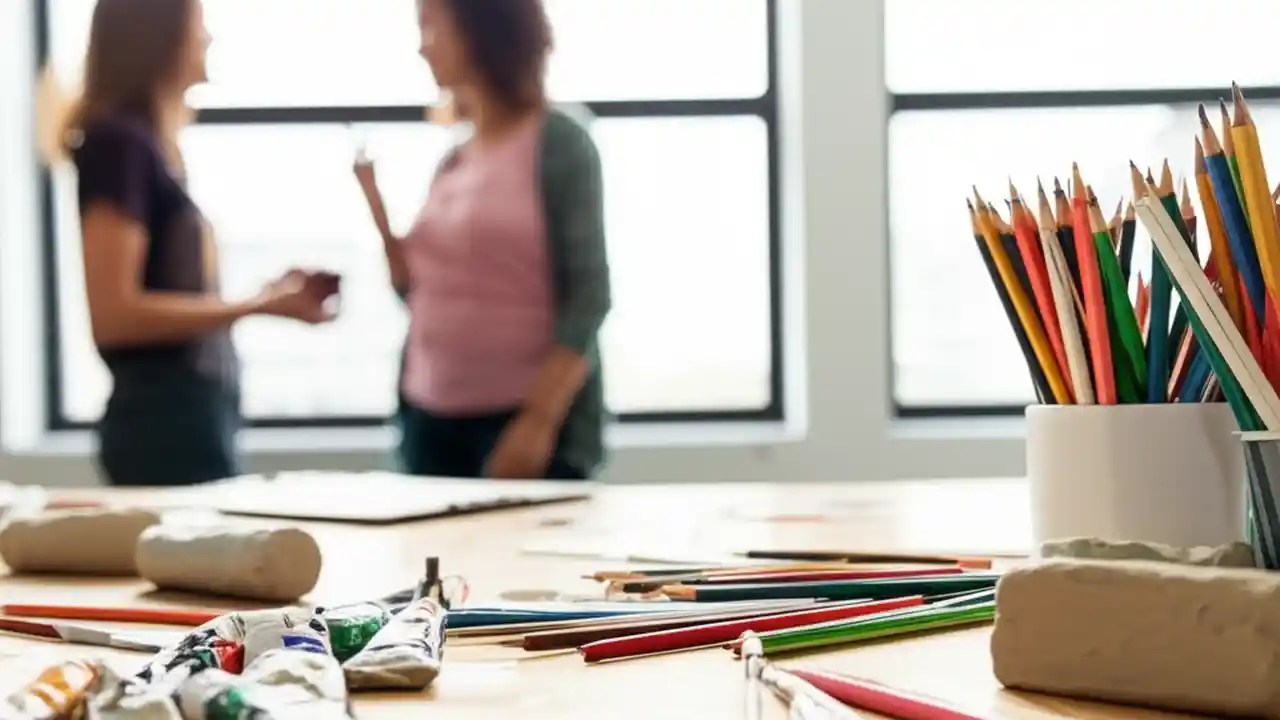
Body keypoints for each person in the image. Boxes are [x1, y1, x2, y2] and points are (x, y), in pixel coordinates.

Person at [62, 0, 338, 486]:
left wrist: (262, 300)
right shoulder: (119, 145)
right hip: (161, 428)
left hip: (194, 421)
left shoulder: (150, 146)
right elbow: (114, 316)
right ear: (159, 36)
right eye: (198, 25)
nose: (207, 39)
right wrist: (257, 305)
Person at [354, 0, 611, 480]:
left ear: (482, 30)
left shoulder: (560, 143)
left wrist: (537, 423)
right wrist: (377, 211)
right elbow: (416, 293)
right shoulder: (455, 158)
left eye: (432, 29)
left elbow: (589, 298)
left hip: (517, 427)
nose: (421, 47)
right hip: (429, 420)